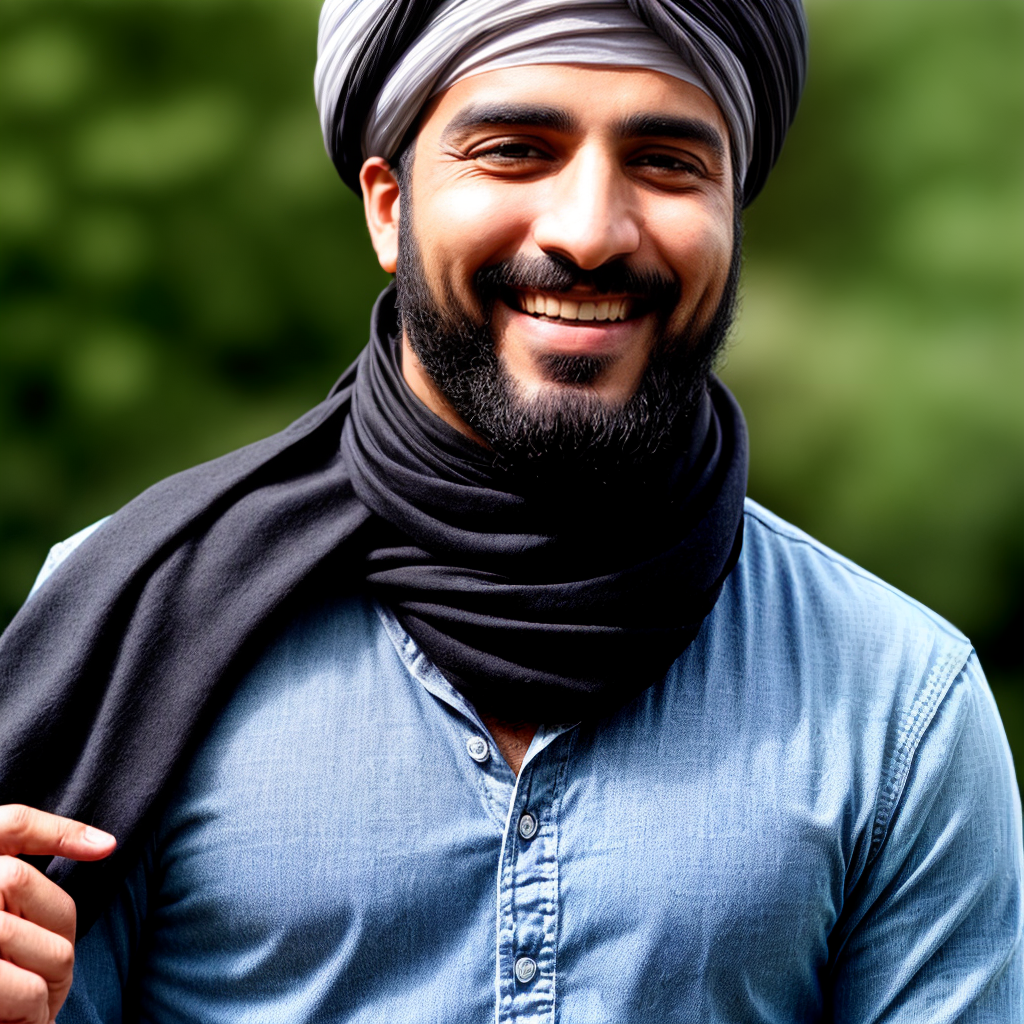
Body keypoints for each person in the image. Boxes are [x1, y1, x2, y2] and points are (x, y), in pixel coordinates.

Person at [0, 0, 1020, 1020]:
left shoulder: (898, 705)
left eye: (667, 164)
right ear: (388, 209)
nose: (589, 232)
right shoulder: (131, 626)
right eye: (515, 152)